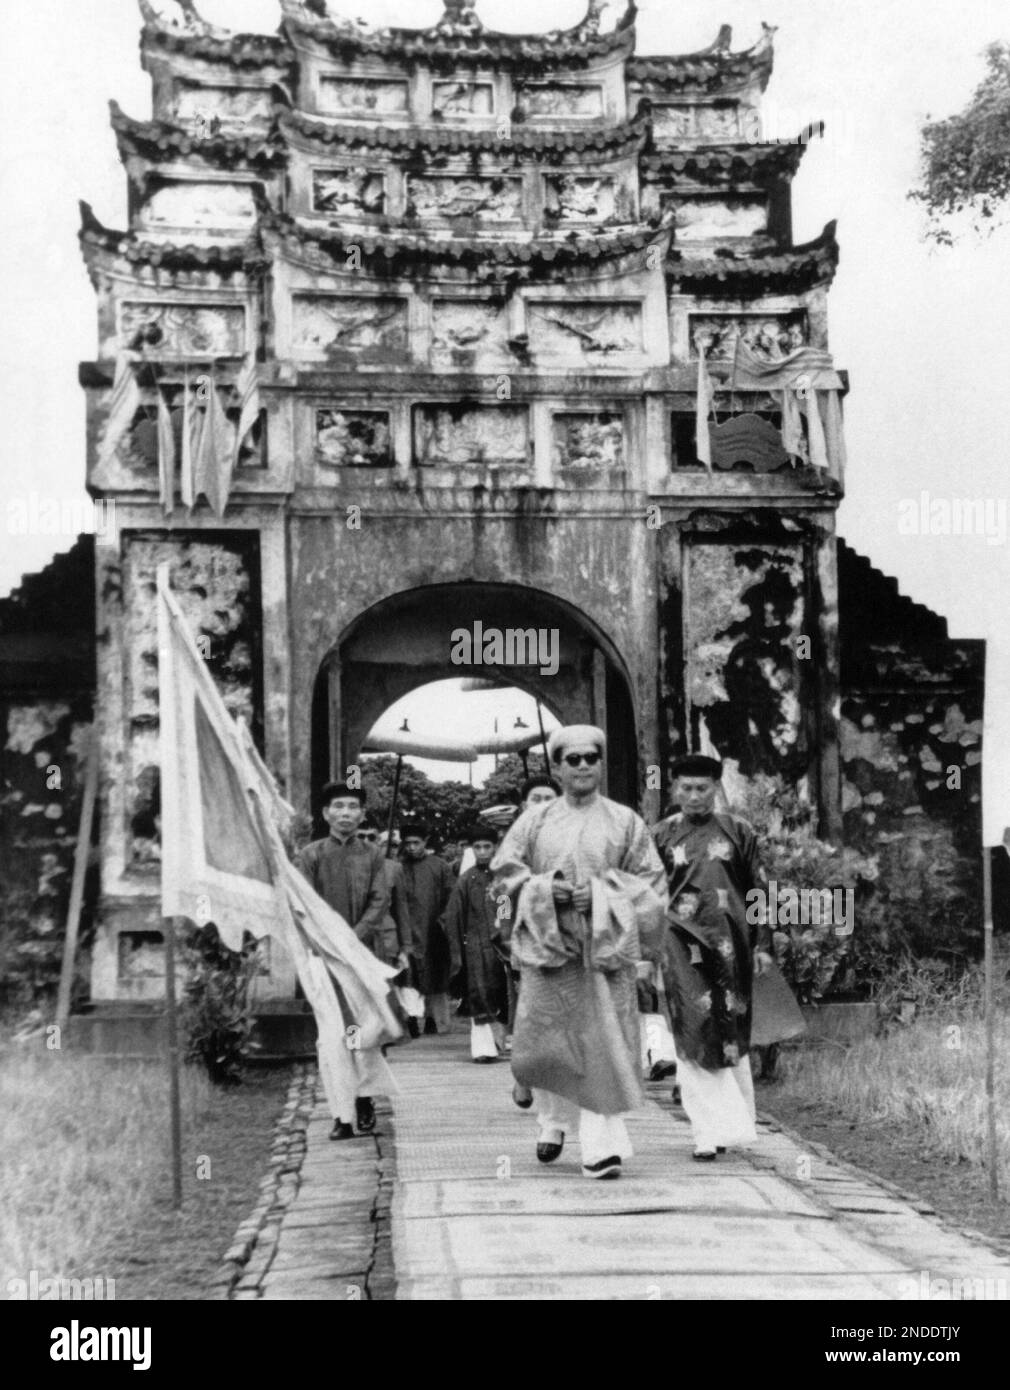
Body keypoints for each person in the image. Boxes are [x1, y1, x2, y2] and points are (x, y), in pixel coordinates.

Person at [491, 726, 667, 1180]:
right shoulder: (534, 821)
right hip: (549, 948)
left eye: (592, 757)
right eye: (573, 759)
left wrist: (604, 894)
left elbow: (652, 884)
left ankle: (601, 1149)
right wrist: (548, 891)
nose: (584, 765)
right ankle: (551, 1121)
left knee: (602, 1046)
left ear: (602, 764)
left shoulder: (625, 821)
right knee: (549, 1042)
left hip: (605, 951)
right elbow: (506, 877)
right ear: (557, 767)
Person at [652, 754, 773, 1161]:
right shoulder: (661, 835)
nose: (693, 796)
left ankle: (736, 1123)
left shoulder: (740, 831)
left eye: (702, 788)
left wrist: (763, 945)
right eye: (685, 788)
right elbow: (648, 893)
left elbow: (759, 891)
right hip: (678, 941)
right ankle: (704, 1131)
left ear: (716, 788)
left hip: (730, 942)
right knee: (691, 1025)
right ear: (673, 789)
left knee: (729, 1026)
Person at [294, 782, 390, 1140]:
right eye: (340, 806)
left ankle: (364, 1099)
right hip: (324, 958)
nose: (347, 813)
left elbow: (380, 901)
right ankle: (341, 1114)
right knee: (333, 1037)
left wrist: (354, 938)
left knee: (364, 1031)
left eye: (353, 807)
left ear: (362, 814)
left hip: (363, 956)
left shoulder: (374, 855)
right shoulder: (310, 856)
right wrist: (330, 943)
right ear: (326, 813)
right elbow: (302, 906)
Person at [491, 775, 562, 1108]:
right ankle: (522, 1077)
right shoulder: (513, 845)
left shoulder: (570, 839)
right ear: (524, 804)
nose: (543, 803)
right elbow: (503, 892)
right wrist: (505, 933)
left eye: (550, 797)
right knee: (526, 1014)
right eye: (536, 798)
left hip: (564, 938)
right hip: (525, 939)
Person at [444, 825, 509, 1062]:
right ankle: (483, 1049)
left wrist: (504, 934)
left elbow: (505, 910)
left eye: (487, 847)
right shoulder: (466, 879)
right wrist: (460, 946)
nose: (483, 852)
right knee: (478, 993)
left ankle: (501, 1042)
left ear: (495, 848)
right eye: (478, 847)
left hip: (501, 945)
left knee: (503, 992)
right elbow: (453, 916)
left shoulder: (503, 877)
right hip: (474, 947)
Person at [398, 819, 455, 1034]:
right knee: (408, 976)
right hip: (406, 931)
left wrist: (443, 921)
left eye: (416, 843)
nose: (412, 847)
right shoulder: (397, 867)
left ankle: (433, 1019)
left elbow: (452, 896)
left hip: (433, 929)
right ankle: (411, 1018)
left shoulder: (439, 866)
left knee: (434, 974)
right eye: (408, 843)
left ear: (425, 842)